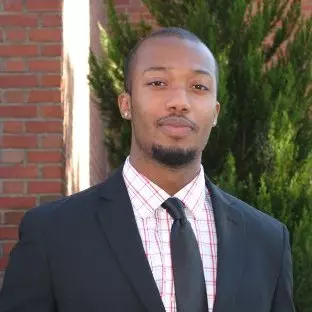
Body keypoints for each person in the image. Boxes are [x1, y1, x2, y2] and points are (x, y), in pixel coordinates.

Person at [0, 27, 295, 312]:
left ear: (215, 113)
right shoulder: (52, 235)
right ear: (126, 104)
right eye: (158, 83)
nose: (180, 102)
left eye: (198, 87)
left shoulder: (267, 240)